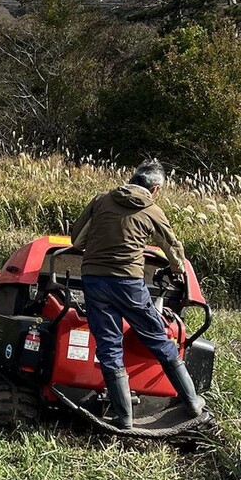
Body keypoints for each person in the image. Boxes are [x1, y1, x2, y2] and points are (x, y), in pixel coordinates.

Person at [68, 159, 206, 429]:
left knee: (109, 346)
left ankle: (124, 418)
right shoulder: (153, 210)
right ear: (155, 189)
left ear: (132, 178)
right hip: (129, 283)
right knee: (158, 338)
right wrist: (177, 269)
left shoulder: (101, 199)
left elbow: (76, 240)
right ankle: (191, 401)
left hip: (94, 280)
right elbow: (173, 248)